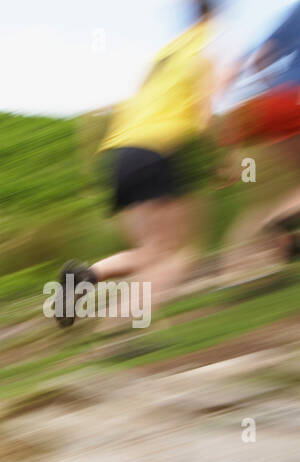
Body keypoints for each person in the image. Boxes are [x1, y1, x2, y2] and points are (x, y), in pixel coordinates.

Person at [56, 0, 220, 327]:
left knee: (153, 251)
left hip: (119, 152)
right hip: (157, 149)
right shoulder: (205, 49)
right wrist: (221, 159)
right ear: (212, 14)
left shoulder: (163, 56)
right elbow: (205, 114)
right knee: (177, 253)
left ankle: (83, 277)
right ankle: (120, 327)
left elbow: (110, 112)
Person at [220, 1, 300, 262]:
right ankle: (278, 219)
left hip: (272, 105)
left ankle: (286, 237)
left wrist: (272, 85)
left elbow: (261, 57)